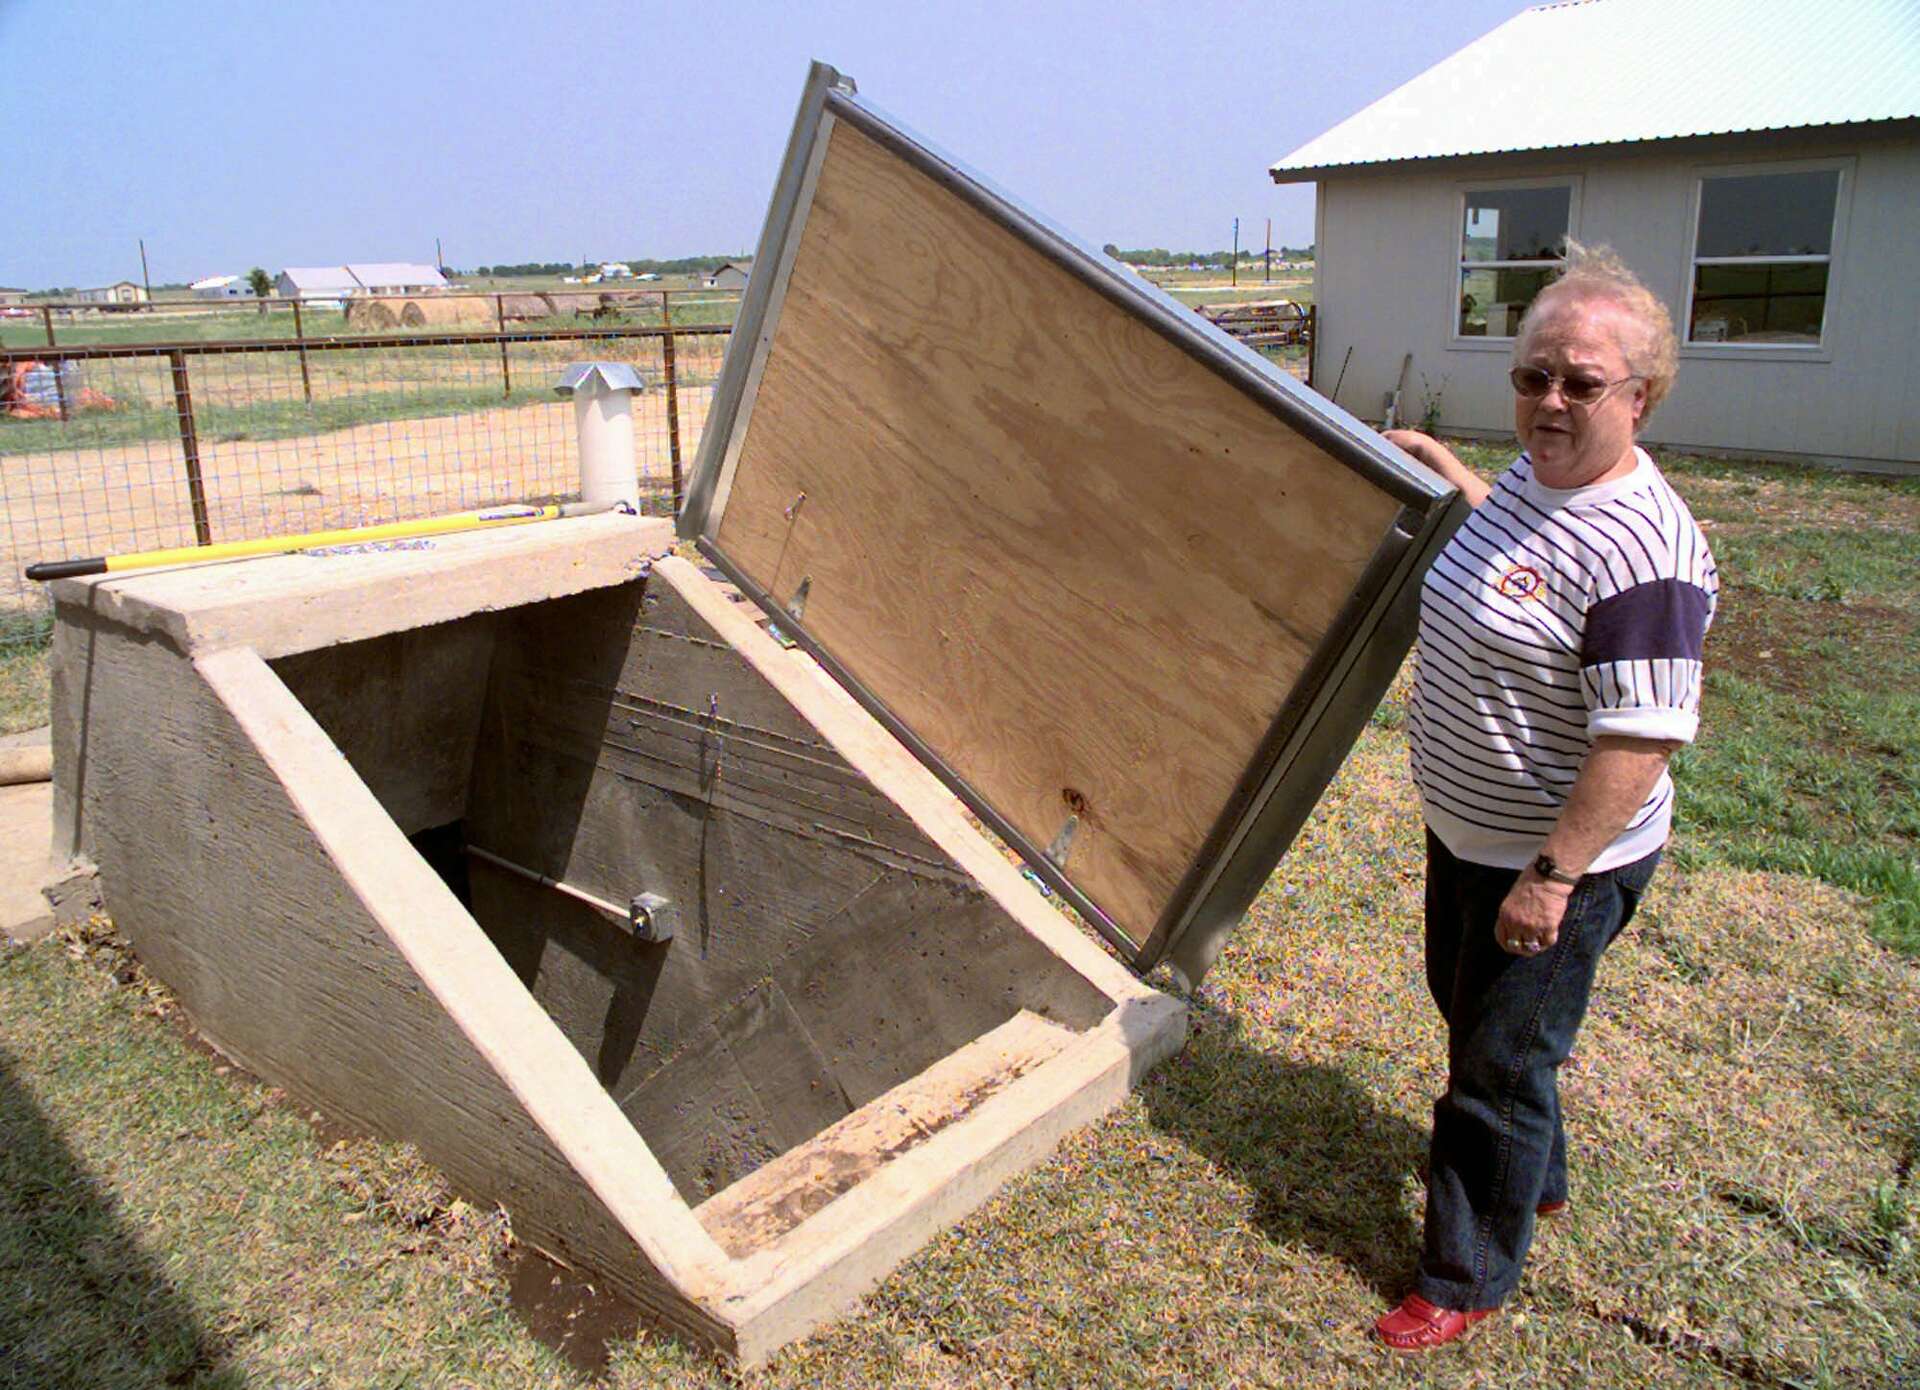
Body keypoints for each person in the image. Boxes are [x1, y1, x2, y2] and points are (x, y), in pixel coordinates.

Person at [1373, 243, 1717, 1350]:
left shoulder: (1647, 555)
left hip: (1551, 859)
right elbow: (1526, 559)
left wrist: (1554, 876)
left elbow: (1640, 737)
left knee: (1494, 1067)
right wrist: (1451, 472)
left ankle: (1463, 1275)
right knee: (1477, 1018)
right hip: (1469, 830)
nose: (1549, 400)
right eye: (1533, 375)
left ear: (1641, 397)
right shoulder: (1533, 476)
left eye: (1581, 382)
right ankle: (1538, 1176)